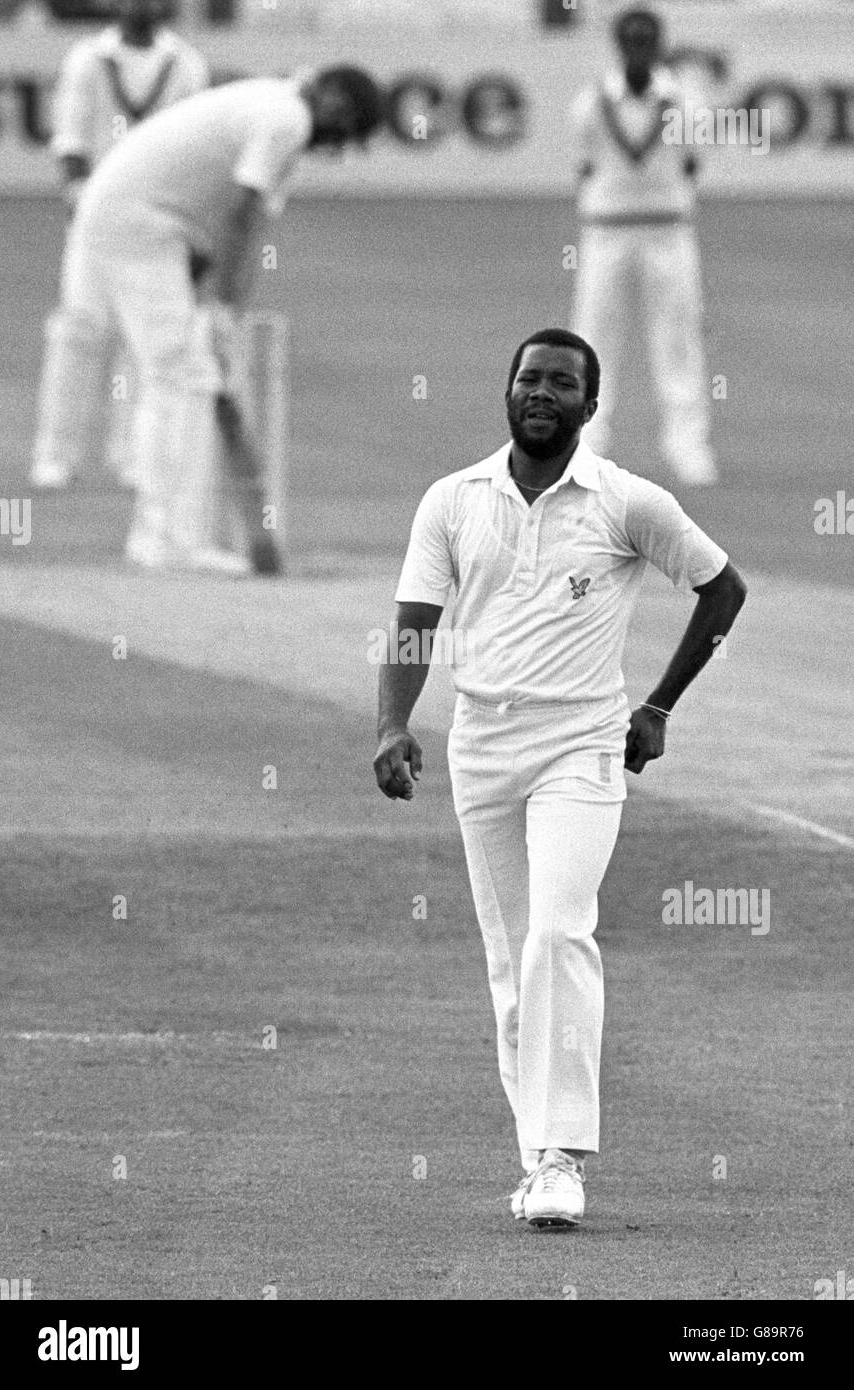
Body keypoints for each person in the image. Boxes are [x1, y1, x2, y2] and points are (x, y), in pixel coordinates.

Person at [374, 328, 746, 1227]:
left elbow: (722, 588)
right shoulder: (454, 499)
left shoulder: (626, 501)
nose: (542, 393)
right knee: (511, 964)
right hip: (481, 746)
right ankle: (537, 1158)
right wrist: (391, 721)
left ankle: (564, 1156)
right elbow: (417, 619)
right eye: (529, 379)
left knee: (557, 932)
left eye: (561, 384)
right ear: (507, 392)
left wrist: (657, 707)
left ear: (590, 402)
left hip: (582, 747)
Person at [30, 66, 384, 575]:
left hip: (130, 217)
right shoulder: (286, 118)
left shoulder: (272, 105)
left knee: (175, 372)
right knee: (182, 377)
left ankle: (164, 537)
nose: (338, 144)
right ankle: (166, 542)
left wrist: (209, 290)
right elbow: (241, 215)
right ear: (333, 101)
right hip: (139, 224)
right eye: (346, 130)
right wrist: (222, 306)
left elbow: (227, 212)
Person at [32, 0, 209, 490]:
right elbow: (70, 142)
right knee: (80, 330)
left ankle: (130, 454)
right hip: (94, 216)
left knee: (143, 339)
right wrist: (82, 207)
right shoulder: (88, 58)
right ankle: (56, 454)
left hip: (157, 221)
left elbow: (190, 146)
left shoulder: (185, 63)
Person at [570, 7, 718, 485]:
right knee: (595, 335)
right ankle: (588, 441)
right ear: (619, 46)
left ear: (658, 46)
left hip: (667, 230)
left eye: (646, 42)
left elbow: (692, 164)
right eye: (630, 42)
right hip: (607, 231)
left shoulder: (683, 102)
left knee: (677, 335)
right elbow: (586, 165)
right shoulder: (591, 101)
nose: (638, 51)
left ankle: (687, 444)